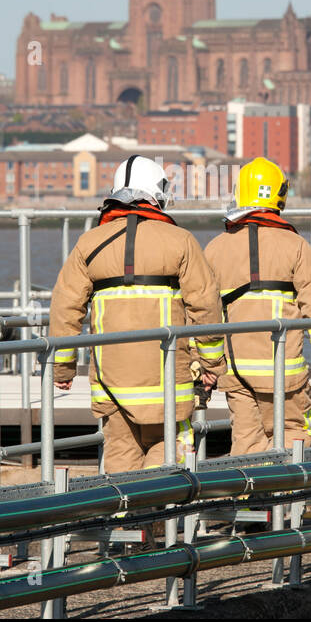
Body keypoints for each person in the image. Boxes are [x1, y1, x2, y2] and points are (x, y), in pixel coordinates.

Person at [49, 155, 226, 473]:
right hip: (169, 387)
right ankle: (160, 522)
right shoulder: (180, 241)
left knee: (119, 472)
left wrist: (62, 369)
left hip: (112, 387)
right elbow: (205, 306)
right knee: (167, 469)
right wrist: (213, 364)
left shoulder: (88, 244)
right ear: (158, 194)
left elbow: (65, 309)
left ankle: (121, 522)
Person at [204, 157, 311, 455]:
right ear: (280, 195)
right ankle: (284, 499)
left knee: (246, 443)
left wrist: (204, 365)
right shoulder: (296, 246)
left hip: (235, 371)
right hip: (284, 371)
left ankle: (248, 498)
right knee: (293, 435)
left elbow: (201, 311)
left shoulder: (215, 249)